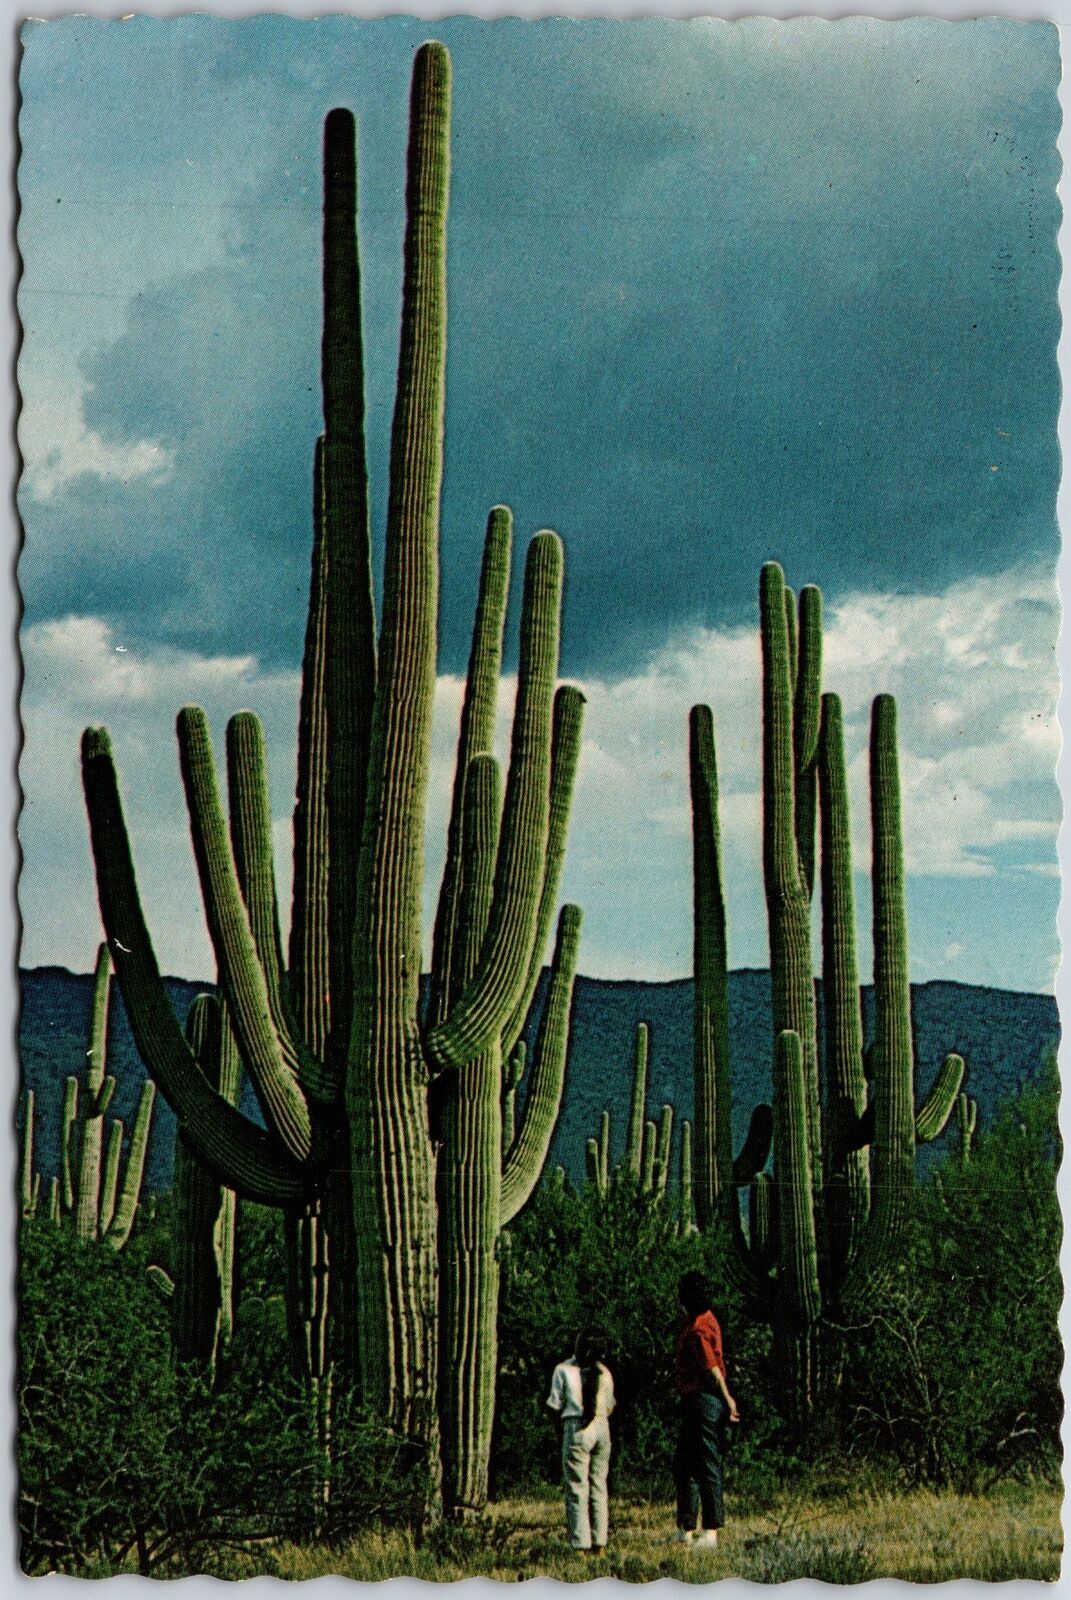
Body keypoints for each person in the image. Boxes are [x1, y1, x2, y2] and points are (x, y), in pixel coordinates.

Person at [671, 1271, 740, 1547]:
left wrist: (727, 1398)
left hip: (702, 1399)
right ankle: (686, 1527)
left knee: (705, 1463)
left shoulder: (698, 1329)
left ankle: (711, 1529)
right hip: (697, 1400)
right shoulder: (705, 1319)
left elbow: (712, 1369)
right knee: (686, 1463)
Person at [546, 1327, 616, 1553]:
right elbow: (610, 1406)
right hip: (602, 1426)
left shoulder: (563, 1370)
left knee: (577, 1487)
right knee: (599, 1486)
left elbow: (554, 1405)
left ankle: (580, 1544)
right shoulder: (605, 1373)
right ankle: (600, 1543)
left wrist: (559, 1432)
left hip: (577, 1426)